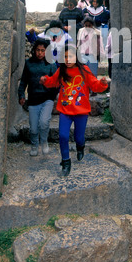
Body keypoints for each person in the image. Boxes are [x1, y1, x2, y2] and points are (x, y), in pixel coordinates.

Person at [40, 44, 109, 176]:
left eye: (70, 56)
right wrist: (45, 80)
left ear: (76, 57)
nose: (68, 59)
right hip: (65, 110)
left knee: (79, 137)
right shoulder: (61, 71)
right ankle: (66, 162)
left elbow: (95, 85)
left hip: (81, 111)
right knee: (63, 136)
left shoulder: (84, 70)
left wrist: (102, 84)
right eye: (65, 57)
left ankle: (80, 147)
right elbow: (52, 82)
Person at [18, 39, 59, 156]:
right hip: (33, 99)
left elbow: (56, 81)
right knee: (33, 128)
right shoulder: (29, 63)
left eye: (42, 50)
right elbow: (24, 81)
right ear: (34, 50)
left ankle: (44, 141)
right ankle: (34, 144)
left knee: (44, 122)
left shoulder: (51, 64)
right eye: (38, 50)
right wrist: (21, 94)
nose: (40, 53)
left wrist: (54, 94)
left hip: (47, 99)